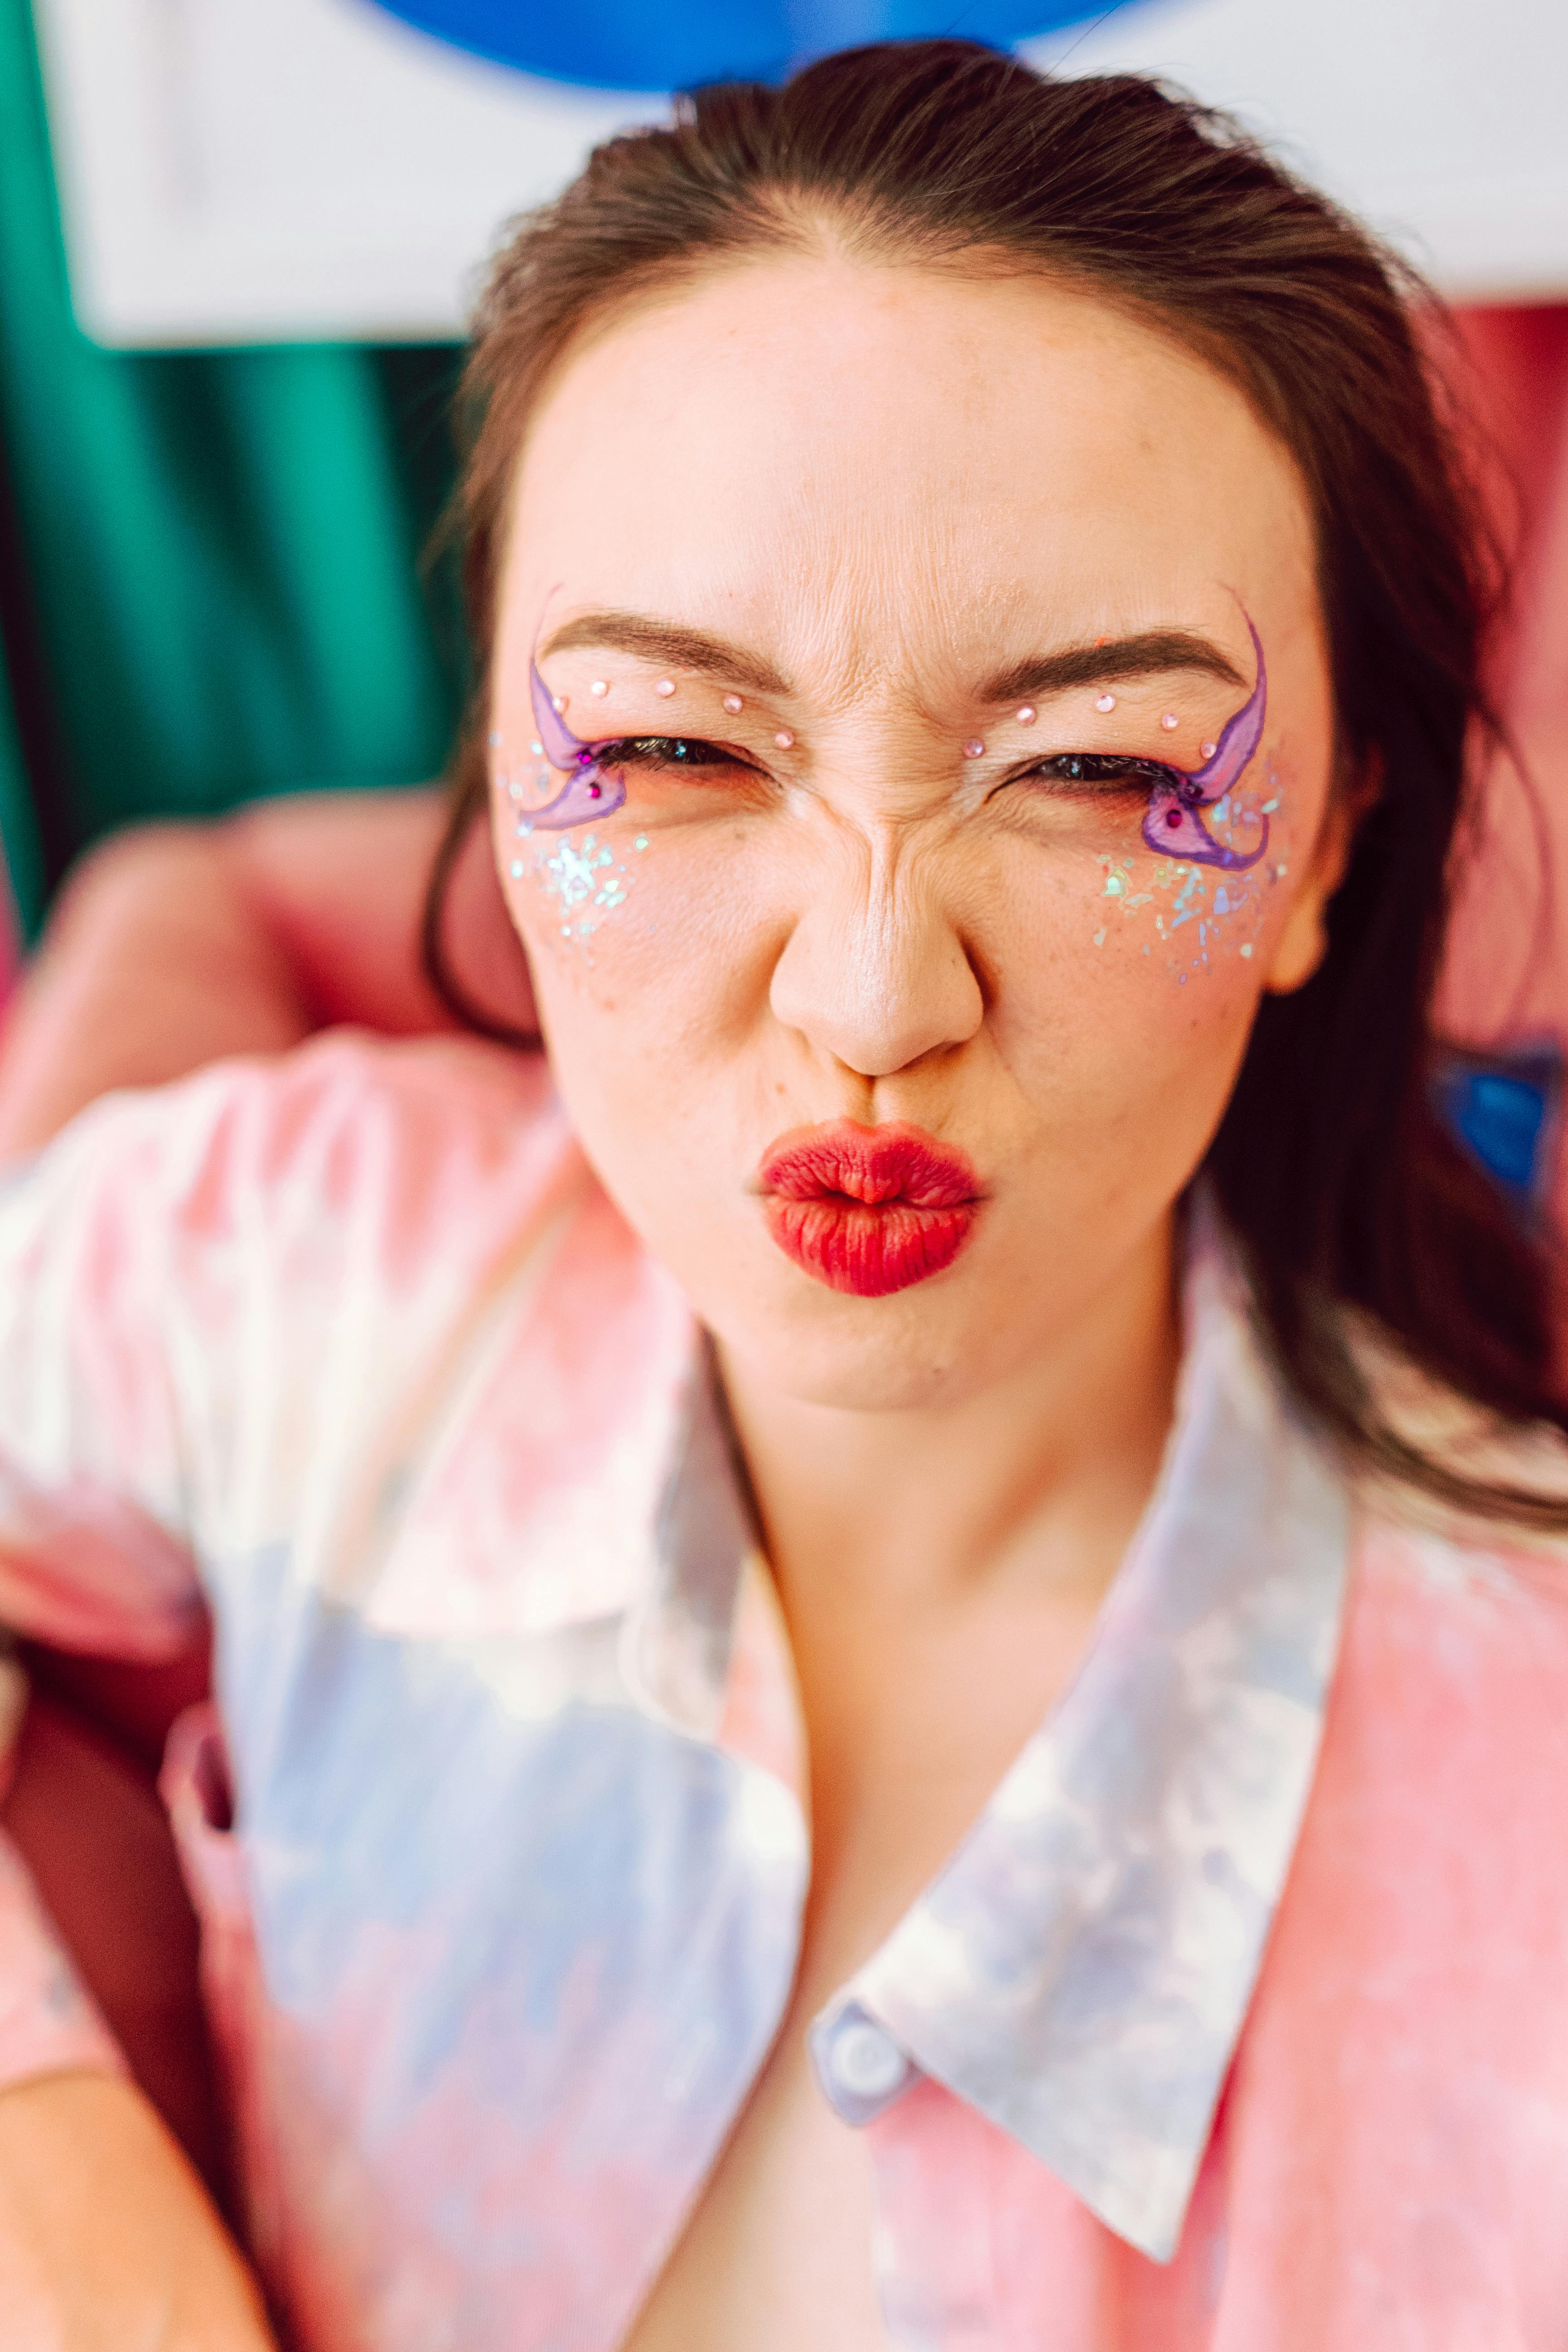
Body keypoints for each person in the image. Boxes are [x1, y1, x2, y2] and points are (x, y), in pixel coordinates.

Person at [0, 39, 1566, 2351]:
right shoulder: (291, 1266)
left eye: (1100, 770)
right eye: (665, 748)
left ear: (1329, 844)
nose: (867, 994)